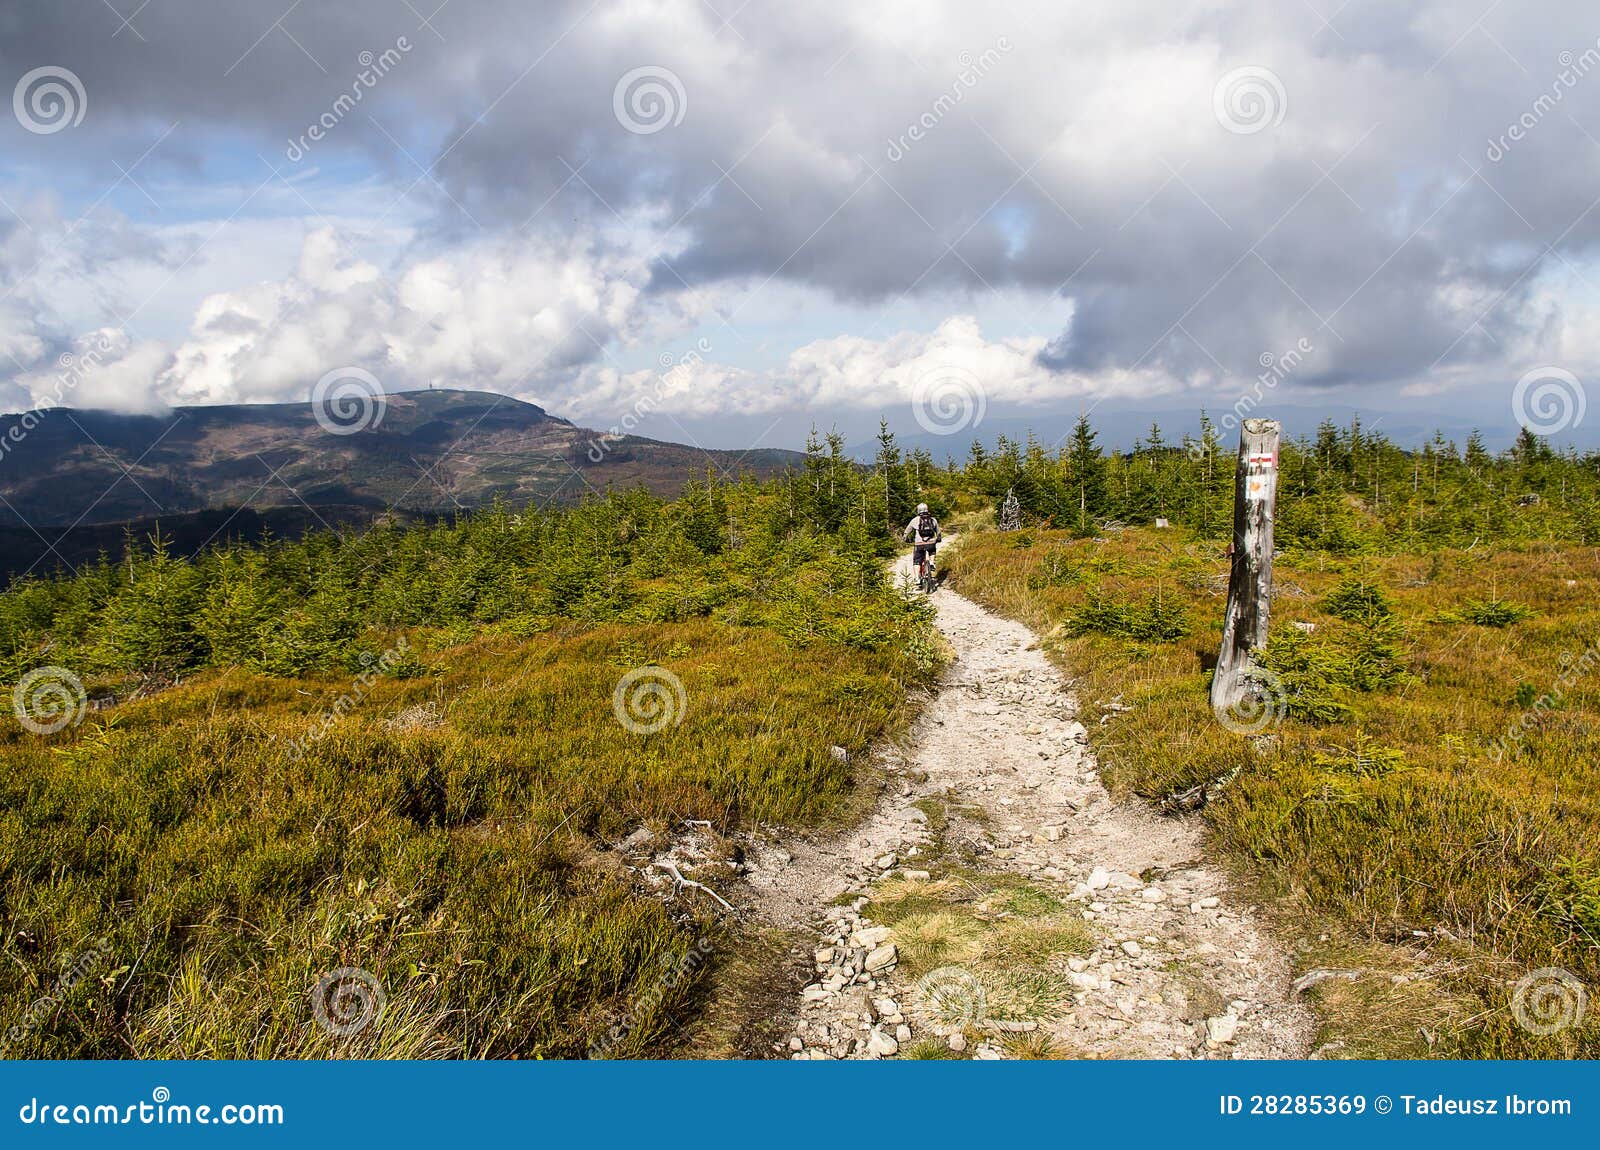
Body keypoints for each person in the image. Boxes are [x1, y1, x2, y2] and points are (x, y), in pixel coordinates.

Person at [902, 503, 942, 586]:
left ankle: (917, 578)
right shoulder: (933, 519)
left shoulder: (915, 520)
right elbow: (938, 531)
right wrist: (938, 538)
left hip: (919, 544)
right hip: (931, 542)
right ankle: (931, 562)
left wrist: (905, 538)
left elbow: (907, 530)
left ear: (918, 510)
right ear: (927, 509)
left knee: (917, 561)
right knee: (932, 551)